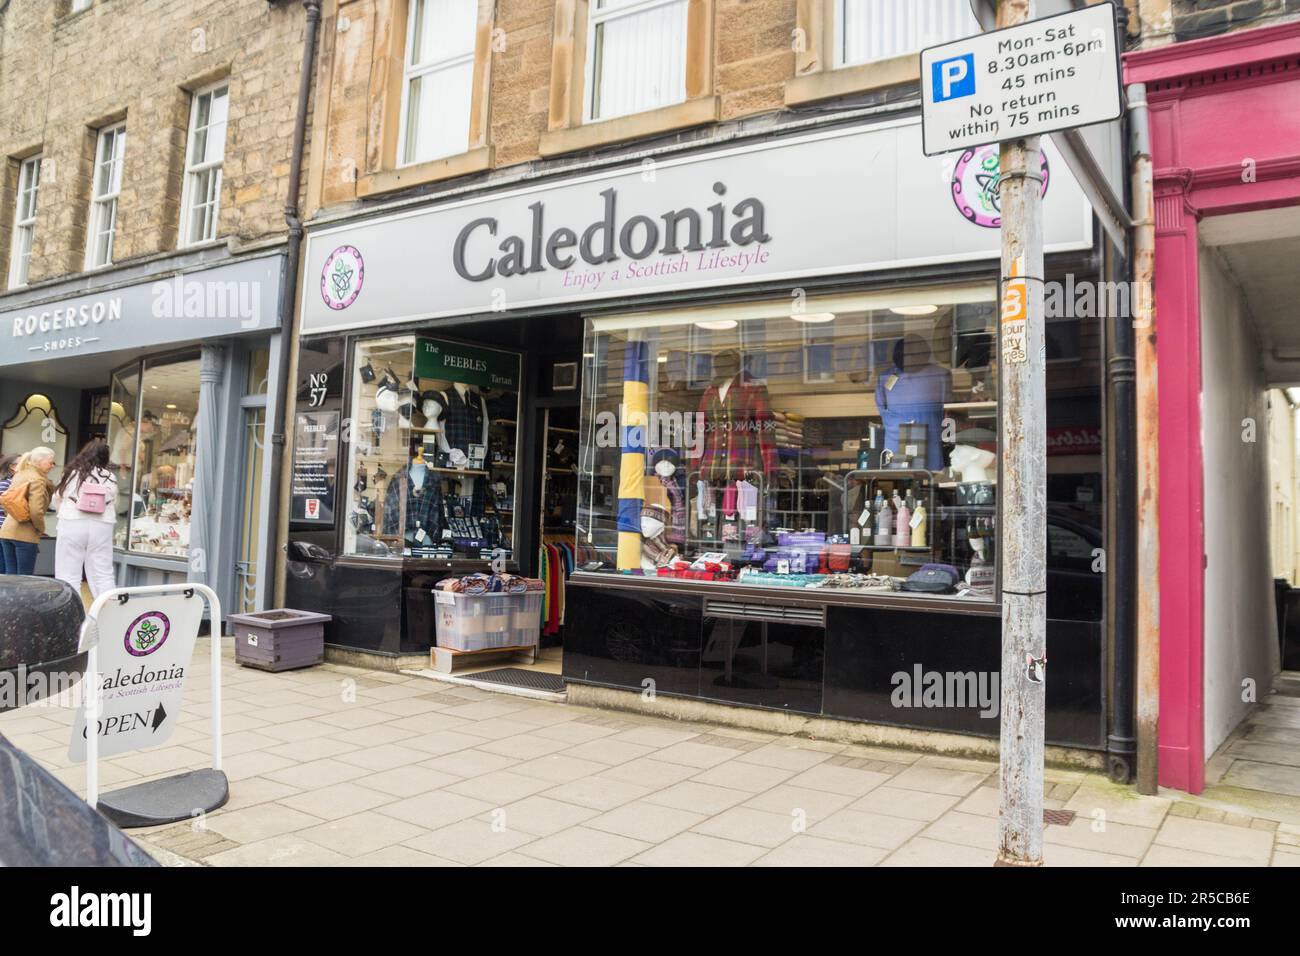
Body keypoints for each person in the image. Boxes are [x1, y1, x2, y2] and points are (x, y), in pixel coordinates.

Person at [52, 439, 119, 598]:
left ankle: (72, 614)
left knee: (68, 572)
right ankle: (109, 612)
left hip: (72, 521)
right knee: (103, 572)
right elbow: (114, 500)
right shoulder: (110, 476)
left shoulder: (71, 473)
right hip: (102, 524)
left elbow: (57, 498)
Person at [0, 447, 57, 576]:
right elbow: (36, 510)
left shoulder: (20, 473)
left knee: (10, 576)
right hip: (24, 533)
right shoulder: (38, 479)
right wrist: (40, 528)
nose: (52, 466)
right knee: (25, 578)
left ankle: (7, 597)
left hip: (7, 531)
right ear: (39, 461)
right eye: (50, 462)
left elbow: (10, 501)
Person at [0, 454, 18, 575]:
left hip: (8, 529)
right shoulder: (6, 483)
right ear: (12, 466)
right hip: (3, 528)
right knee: (4, 565)